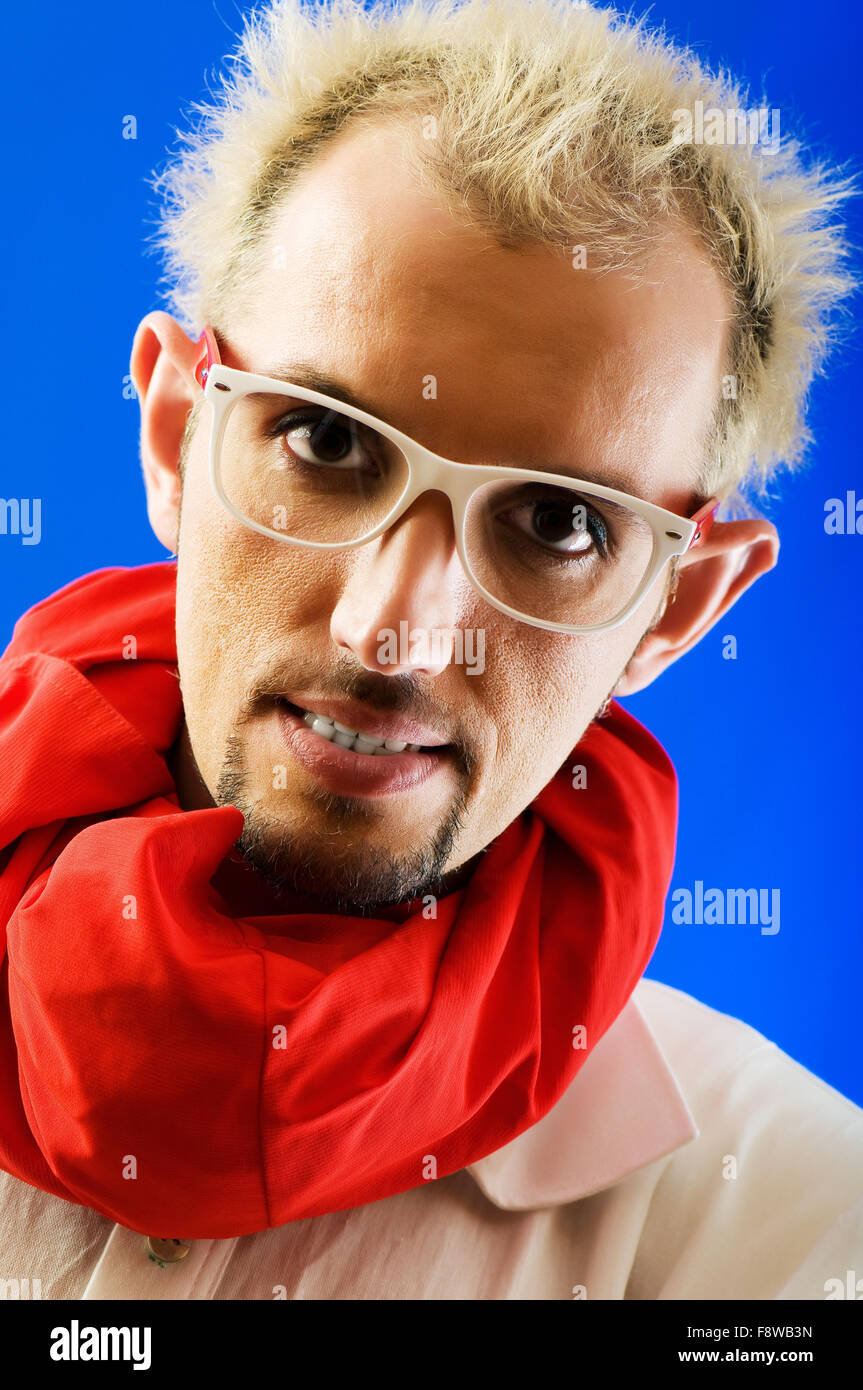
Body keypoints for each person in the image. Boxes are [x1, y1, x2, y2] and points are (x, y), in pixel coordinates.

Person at [1, 0, 860, 1302]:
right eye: (327, 443)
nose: (387, 630)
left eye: (557, 522)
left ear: (677, 607)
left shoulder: (793, 1228)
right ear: (178, 436)